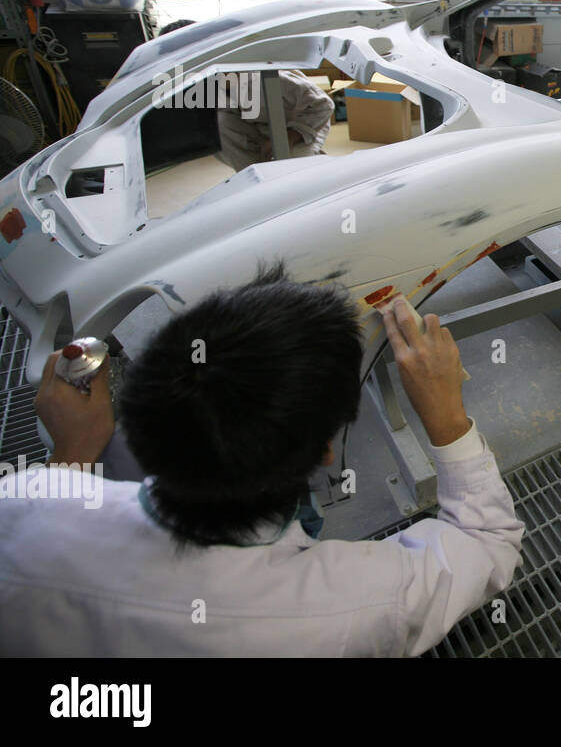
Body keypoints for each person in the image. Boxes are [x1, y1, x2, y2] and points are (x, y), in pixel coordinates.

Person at [0, 265, 524, 656]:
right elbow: (490, 545)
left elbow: (46, 520)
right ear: (325, 450)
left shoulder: (22, 503)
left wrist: (72, 452)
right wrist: (447, 415)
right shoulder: (356, 604)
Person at [217, 69, 335, 171]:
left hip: (306, 120)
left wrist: (290, 136)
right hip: (260, 123)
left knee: (293, 164)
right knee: (219, 128)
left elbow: (324, 106)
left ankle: (313, 167)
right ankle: (260, 179)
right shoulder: (212, 89)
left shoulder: (272, 78)